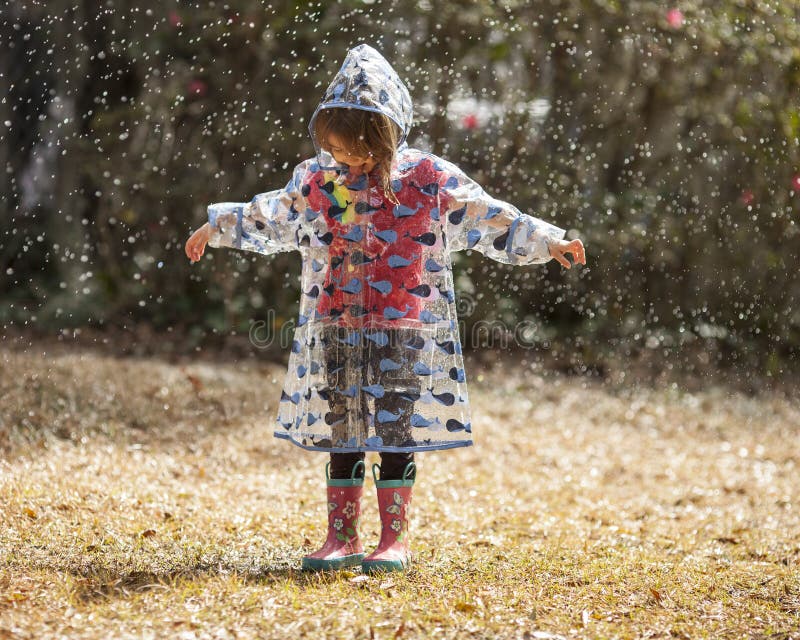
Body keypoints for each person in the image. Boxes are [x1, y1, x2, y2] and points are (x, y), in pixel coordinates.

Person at [184, 44, 586, 573]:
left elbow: (487, 213)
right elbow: (273, 215)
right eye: (339, 149)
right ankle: (341, 536)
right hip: (335, 324)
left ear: (389, 135)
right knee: (341, 432)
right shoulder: (316, 180)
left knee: (396, 431)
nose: (350, 161)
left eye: (360, 151)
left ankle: (392, 539)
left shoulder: (428, 179)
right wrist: (218, 226)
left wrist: (547, 239)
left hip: (404, 328)